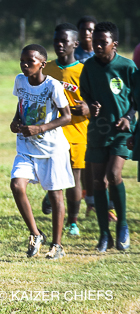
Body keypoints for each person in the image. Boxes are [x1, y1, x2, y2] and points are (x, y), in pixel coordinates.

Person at [9, 44, 73, 260]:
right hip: (26, 145)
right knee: (17, 185)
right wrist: (16, 121)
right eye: (22, 61)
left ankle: (57, 245)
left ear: (42, 64)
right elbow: (21, 105)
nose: (25, 65)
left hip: (52, 148)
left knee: (56, 195)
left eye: (30, 61)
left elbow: (67, 116)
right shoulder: (20, 80)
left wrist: (40, 128)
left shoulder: (53, 86)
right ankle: (35, 234)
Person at [78, 21, 137, 252]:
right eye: (95, 42)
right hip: (97, 131)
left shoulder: (127, 67)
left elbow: (135, 100)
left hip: (121, 131)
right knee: (97, 181)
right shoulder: (89, 67)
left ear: (115, 44)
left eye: (103, 42)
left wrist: (129, 117)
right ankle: (104, 235)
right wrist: (89, 105)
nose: (97, 46)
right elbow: (84, 96)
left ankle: (122, 225)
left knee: (113, 175)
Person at [43, 23, 89, 237]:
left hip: (77, 131)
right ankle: (51, 194)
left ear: (75, 44)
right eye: (56, 41)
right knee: (51, 173)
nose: (59, 45)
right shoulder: (46, 69)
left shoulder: (84, 71)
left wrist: (88, 107)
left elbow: (96, 100)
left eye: (64, 41)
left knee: (74, 177)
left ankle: (72, 221)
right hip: (52, 131)